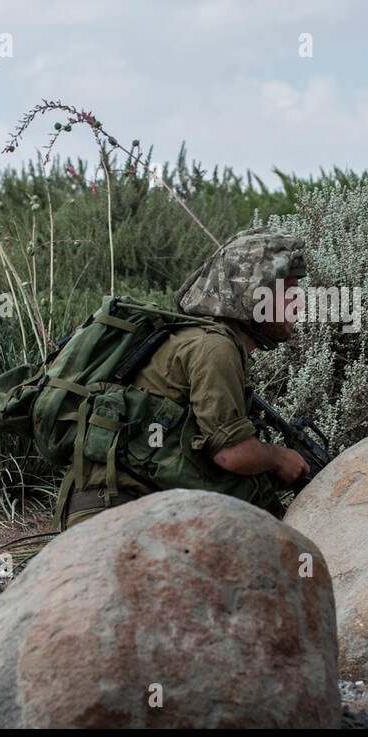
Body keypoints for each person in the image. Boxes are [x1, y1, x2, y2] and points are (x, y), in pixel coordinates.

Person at [63, 227, 311, 529]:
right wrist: (279, 459)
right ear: (252, 295)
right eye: (289, 293)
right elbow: (232, 455)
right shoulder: (214, 347)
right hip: (117, 513)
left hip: (127, 505)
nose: (298, 304)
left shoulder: (208, 341)